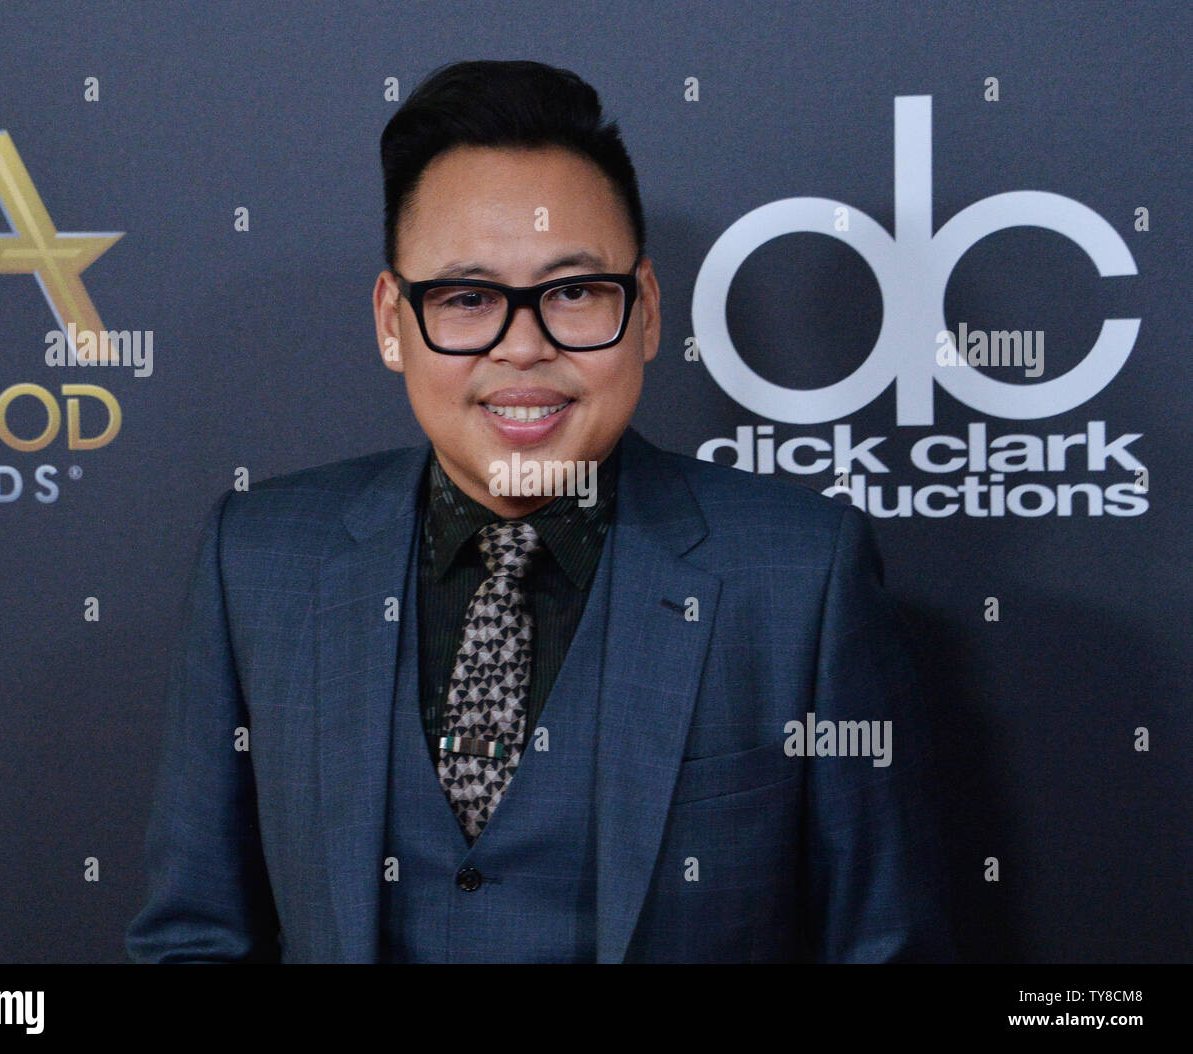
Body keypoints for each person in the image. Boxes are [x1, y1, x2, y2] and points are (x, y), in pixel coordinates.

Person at [126, 59, 952, 963]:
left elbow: (884, 948)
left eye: (572, 293)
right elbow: (195, 938)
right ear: (391, 322)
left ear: (644, 314)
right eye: (467, 299)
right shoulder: (260, 560)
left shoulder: (802, 577)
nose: (525, 347)